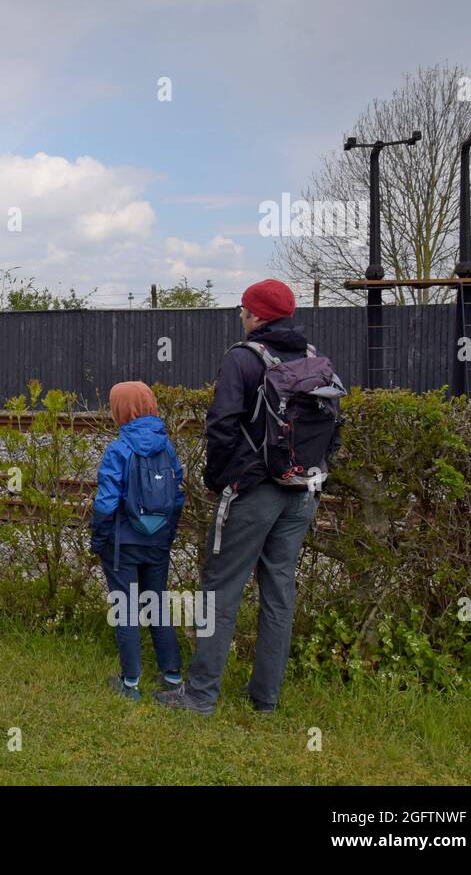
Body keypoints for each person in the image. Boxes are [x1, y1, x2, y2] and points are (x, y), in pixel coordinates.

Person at [156, 278, 329, 714]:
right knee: (279, 592)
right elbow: (332, 431)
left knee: (221, 588)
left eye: (243, 309)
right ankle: (265, 699)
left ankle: (200, 695)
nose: (240, 314)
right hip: (302, 492)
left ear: (256, 315)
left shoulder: (243, 358)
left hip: (254, 491)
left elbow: (222, 424)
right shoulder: (314, 361)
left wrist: (222, 481)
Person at [90, 382, 185, 700]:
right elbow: (177, 497)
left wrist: (99, 540)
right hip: (157, 542)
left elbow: (106, 502)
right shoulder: (167, 447)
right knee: (156, 604)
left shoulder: (119, 449)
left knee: (126, 609)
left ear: (121, 410)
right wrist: (167, 536)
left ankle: (130, 684)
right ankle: (172, 677)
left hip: (123, 543)